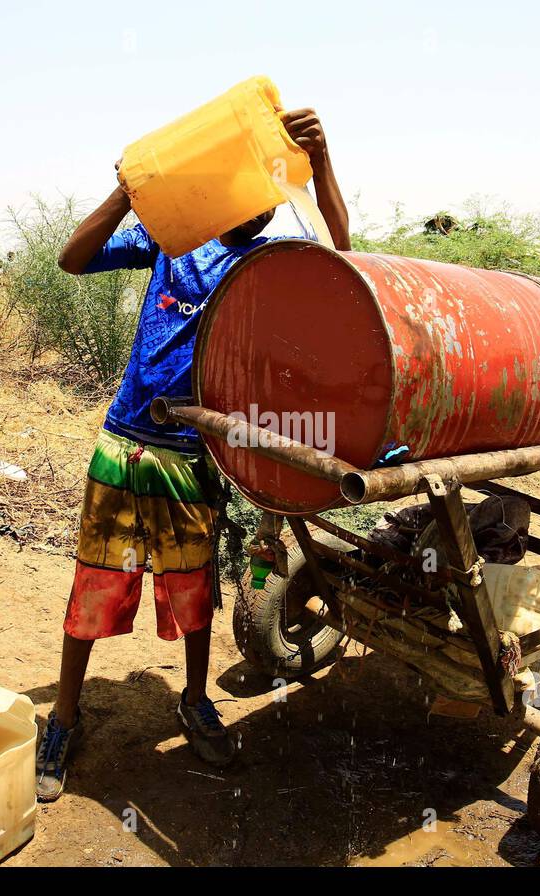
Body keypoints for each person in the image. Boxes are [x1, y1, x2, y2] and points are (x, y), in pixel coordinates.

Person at [35, 107, 351, 801]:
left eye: (271, 197)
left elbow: (343, 260)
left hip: (193, 453)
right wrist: (128, 192)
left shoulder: (270, 267)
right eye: (249, 193)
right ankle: (62, 718)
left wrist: (322, 164)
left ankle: (195, 700)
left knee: (194, 591)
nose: (261, 208)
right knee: (93, 584)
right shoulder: (174, 242)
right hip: (125, 441)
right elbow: (72, 258)